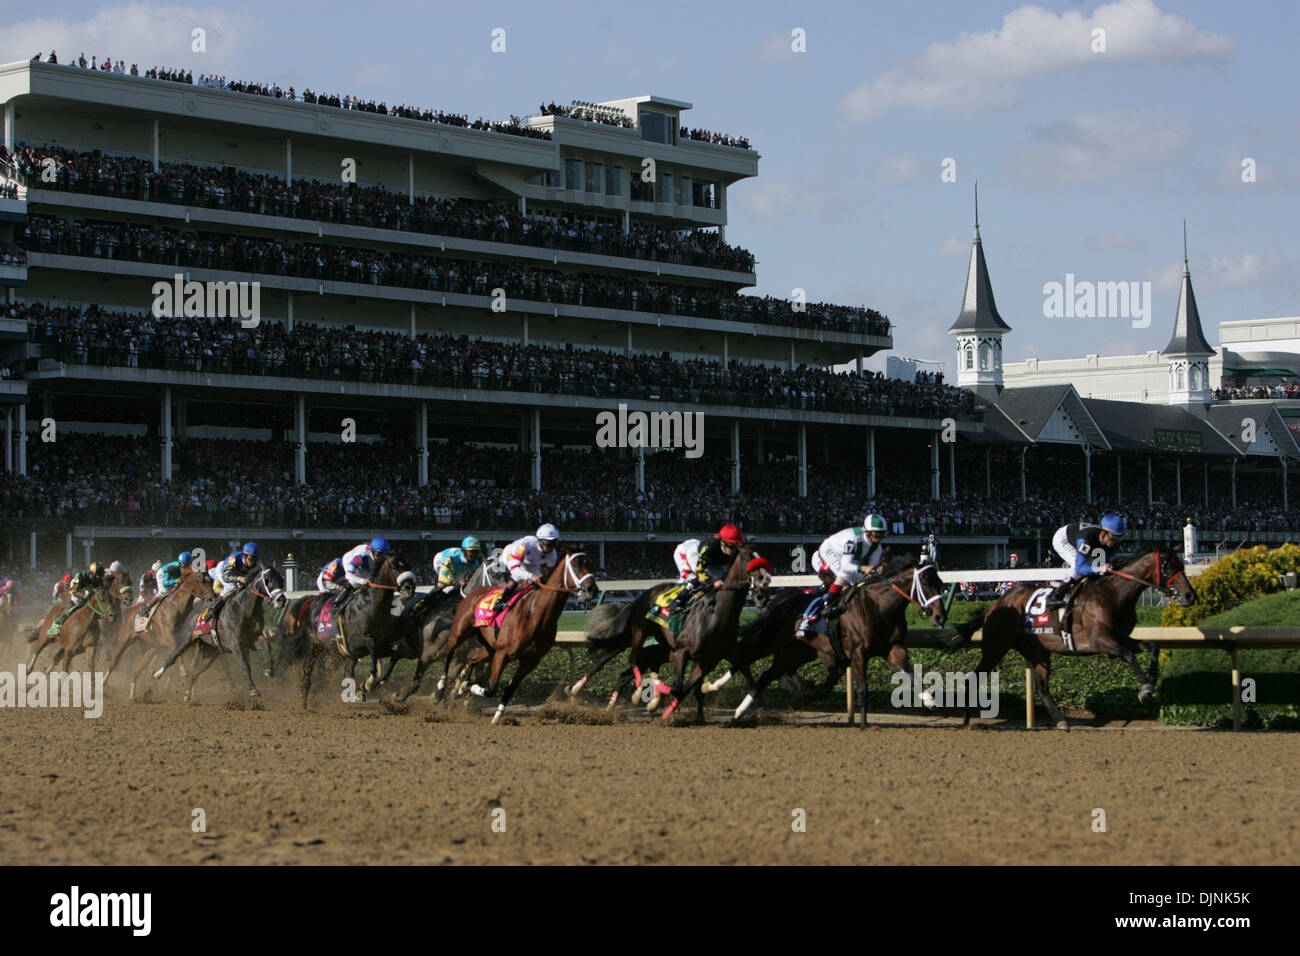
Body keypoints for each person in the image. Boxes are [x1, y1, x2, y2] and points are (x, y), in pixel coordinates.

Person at [811, 513, 889, 620]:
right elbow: (846, 566)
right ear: (867, 532)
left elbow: (869, 574)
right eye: (877, 535)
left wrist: (876, 571)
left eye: (882, 535)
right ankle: (825, 607)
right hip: (828, 552)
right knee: (845, 581)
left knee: (860, 584)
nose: (879, 539)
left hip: (846, 559)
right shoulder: (853, 539)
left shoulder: (877, 548)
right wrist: (863, 568)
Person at [1044, 513, 1125, 609]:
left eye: (1119, 538)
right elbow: (1080, 568)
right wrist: (1099, 568)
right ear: (1103, 533)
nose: (1115, 542)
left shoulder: (1112, 544)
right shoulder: (1086, 539)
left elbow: (1103, 565)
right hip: (1063, 540)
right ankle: (1057, 595)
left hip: (1086, 541)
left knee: (1096, 568)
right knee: (1077, 565)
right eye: (1113, 538)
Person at [665, 524, 744, 616]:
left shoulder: (735, 551)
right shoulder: (710, 547)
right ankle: (677, 602)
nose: (734, 550)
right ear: (722, 543)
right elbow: (700, 571)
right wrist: (713, 581)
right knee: (695, 579)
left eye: (737, 546)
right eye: (731, 546)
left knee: (722, 579)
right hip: (688, 553)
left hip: (713, 560)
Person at [494, 524, 560, 615]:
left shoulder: (553, 555)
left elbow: (548, 573)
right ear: (540, 541)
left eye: (554, 543)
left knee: (540, 581)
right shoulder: (526, 544)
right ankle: (501, 601)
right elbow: (516, 568)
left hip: (530, 562)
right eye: (548, 543)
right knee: (517, 576)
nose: (551, 547)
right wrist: (531, 576)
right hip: (512, 555)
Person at [49, 561, 106, 635]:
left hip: (88, 590)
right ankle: (58, 623)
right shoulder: (80, 576)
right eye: (97, 576)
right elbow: (73, 591)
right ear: (91, 573)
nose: (99, 578)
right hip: (77, 591)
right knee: (76, 603)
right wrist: (83, 596)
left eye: (100, 576)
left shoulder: (99, 578)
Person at [335, 537, 391, 608]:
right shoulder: (361, 556)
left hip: (366, 566)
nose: (381, 557)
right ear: (372, 551)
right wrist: (362, 581)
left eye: (384, 554)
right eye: (379, 554)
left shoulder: (381, 557)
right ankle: (336, 604)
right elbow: (348, 575)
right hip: (349, 561)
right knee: (355, 583)